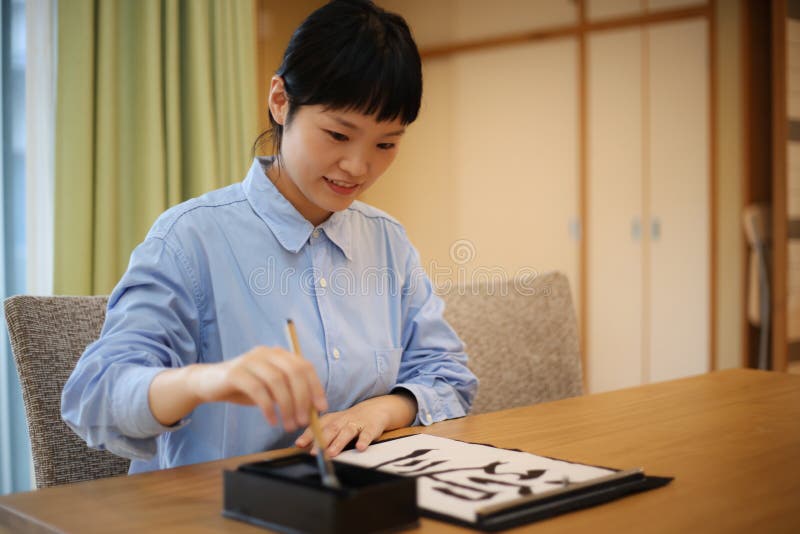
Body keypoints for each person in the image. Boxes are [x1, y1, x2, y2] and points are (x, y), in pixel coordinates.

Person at [61, 0, 478, 474]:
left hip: (356, 504)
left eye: (386, 144)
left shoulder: (387, 242)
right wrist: (205, 381)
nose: (359, 167)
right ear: (281, 101)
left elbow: (447, 376)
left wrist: (380, 410)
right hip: (216, 510)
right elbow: (93, 399)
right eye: (338, 135)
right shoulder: (190, 238)